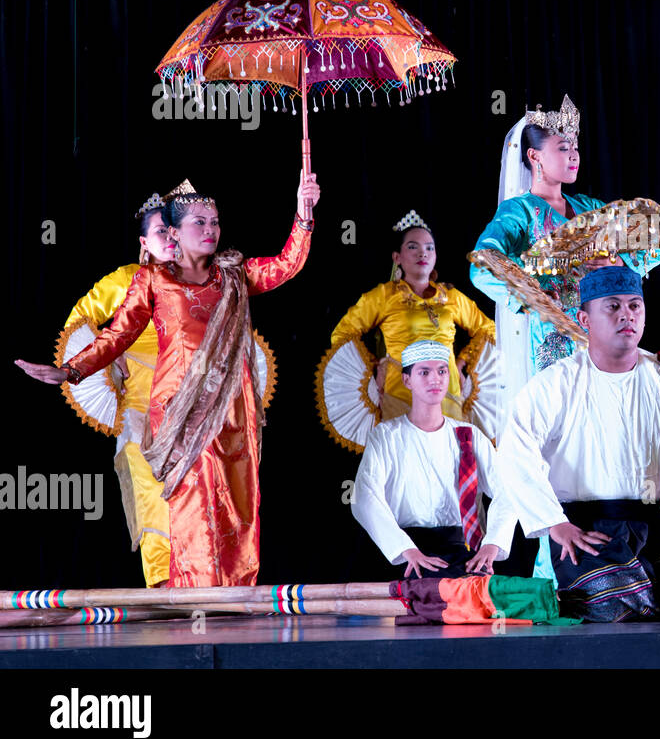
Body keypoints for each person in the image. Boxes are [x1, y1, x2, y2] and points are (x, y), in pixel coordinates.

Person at [17, 172, 320, 588]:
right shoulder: (154, 280)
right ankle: (196, 597)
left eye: (214, 222)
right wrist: (70, 370)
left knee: (239, 500)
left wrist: (304, 215)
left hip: (233, 406)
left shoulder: (233, 275)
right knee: (195, 501)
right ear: (174, 232)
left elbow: (287, 266)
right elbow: (117, 334)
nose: (210, 230)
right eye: (200, 222)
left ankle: (237, 598)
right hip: (178, 411)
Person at [470, 95, 660, 581]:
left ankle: (612, 562)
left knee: (604, 446)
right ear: (535, 156)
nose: (574, 154)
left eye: (577, 145)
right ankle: (550, 571)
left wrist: (625, 264)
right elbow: (485, 264)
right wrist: (536, 289)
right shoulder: (520, 214)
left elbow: (637, 255)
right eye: (563, 146)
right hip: (551, 348)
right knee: (556, 451)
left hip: (603, 344)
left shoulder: (591, 209)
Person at [494, 267, 660, 622]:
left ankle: (645, 585)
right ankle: (629, 588)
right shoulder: (557, 382)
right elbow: (515, 449)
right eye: (612, 306)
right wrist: (554, 522)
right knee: (615, 599)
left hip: (659, 523)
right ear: (584, 319)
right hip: (587, 529)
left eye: (634, 306)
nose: (626, 314)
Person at [58, 192, 178, 586]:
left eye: (175, 228)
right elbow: (80, 320)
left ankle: (206, 587)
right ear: (144, 243)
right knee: (149, 486)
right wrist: (108, 355)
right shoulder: (127, 280)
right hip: (142, 411)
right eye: (161, 231)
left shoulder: (198, 283)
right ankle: (164, 588)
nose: (170, 237)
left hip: (194, 410)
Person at [351, 340, 515, 580]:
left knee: (477, 596)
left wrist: (493, 543)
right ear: (407, 380)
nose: (435, 379)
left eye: (441, 370)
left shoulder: (469, 436)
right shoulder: (386, 436)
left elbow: (508, 489)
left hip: (461, 551)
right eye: (424, 372)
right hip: (406, 554)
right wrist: (405, 549)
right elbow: (364, 497)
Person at [325, 210, 495, 427]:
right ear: (397, 257)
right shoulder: (385, 296)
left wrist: (462, 363)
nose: (422, 253)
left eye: (429, 248)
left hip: (447, 394)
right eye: (413, 247)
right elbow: (342, 334)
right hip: (401, 396)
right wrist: (375, 368)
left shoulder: (452, 297)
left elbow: (488, 329)